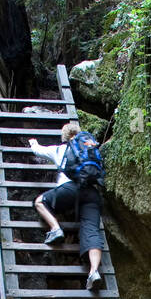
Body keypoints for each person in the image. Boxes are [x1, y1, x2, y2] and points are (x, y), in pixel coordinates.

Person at [29, 122, 105, 290]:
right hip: (91, 193)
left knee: (40, 202)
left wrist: (33, 142)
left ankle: (55, 228)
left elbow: (38, 150)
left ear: (64, 137)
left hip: (69, 190)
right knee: (92, 230)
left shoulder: (60, 149)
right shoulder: (91, 150)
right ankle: (94, 272)